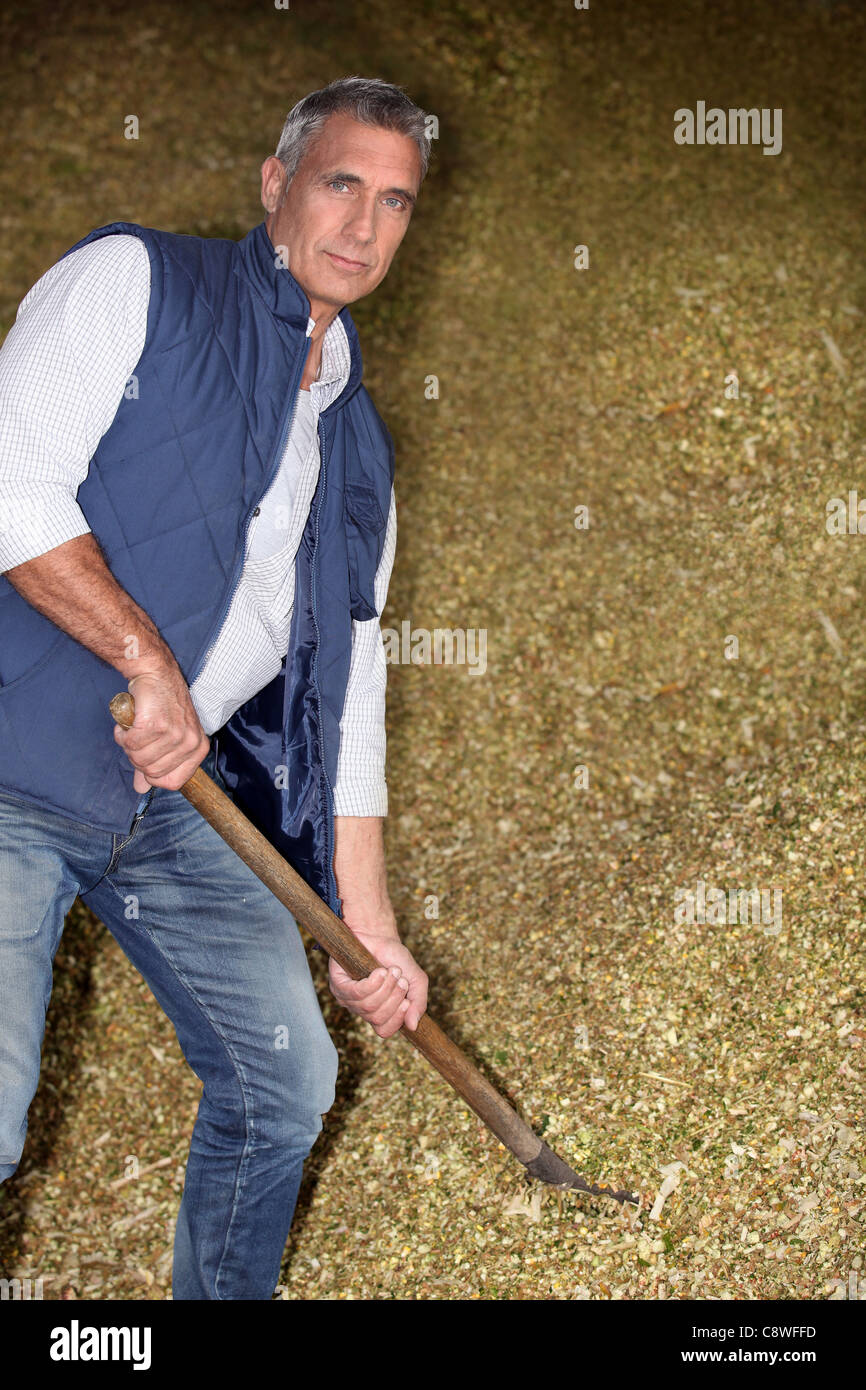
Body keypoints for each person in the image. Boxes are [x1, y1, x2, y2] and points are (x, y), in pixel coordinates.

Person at [0, 75, 429, 1300]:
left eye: (394, 201)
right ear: (274, 186)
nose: (363, 224)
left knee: (286, 1075)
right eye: (340, 182)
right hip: (14, 756)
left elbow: (346, 676)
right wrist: (144, 659)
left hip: (165, 798)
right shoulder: (136, 285)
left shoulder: (358, 448)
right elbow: (10, 483)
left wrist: (369, 921)